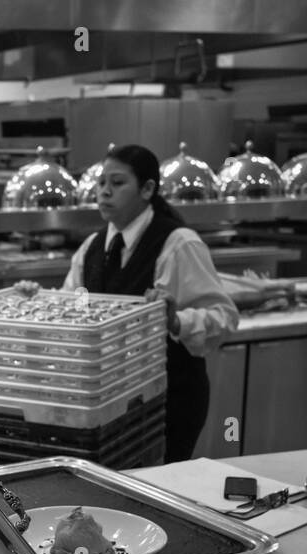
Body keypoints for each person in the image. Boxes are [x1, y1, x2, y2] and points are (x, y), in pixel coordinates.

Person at [62, 144, 239, 462]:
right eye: (101, 183)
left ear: (147, 189)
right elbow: (69, 309)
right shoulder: (91, 247)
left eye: (117, 184)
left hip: (170, 403)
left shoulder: (178, 243)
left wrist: (175, 321)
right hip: (108, 406)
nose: (104, 192)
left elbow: (224, 317)